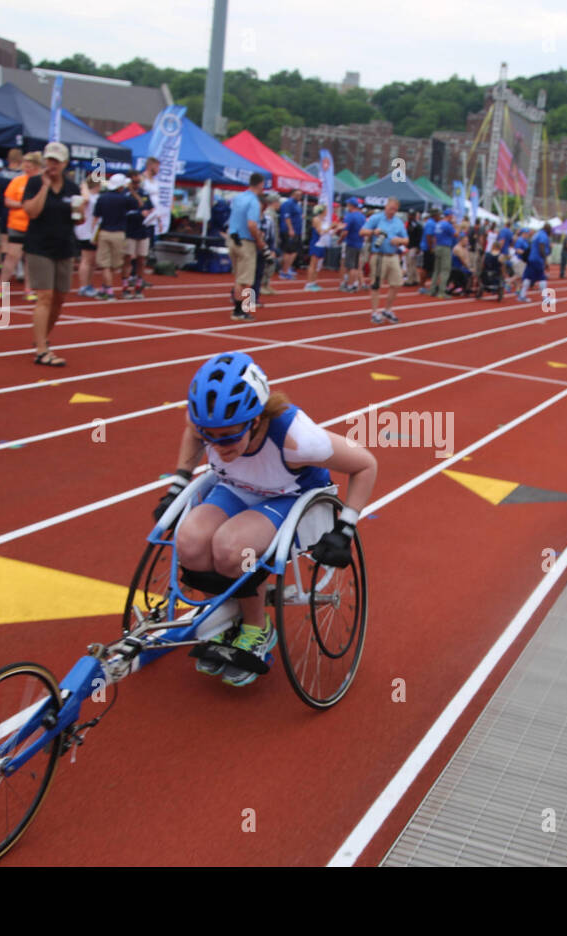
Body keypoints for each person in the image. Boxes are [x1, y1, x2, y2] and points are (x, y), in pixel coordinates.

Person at [152, 351, 378, 686]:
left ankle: (257, 629)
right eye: (210, 436)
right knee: (190, 541)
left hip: (288, 495)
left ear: (255, 419)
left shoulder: (297, 437)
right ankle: (224, 618)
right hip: (236, 487)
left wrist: (345, 527)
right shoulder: (208, 419)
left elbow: (366, 464)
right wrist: (179, 483)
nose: (218, 445)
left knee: (232, 548)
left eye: (229, 436)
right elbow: (192, 430)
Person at [21, 141, 84, 366]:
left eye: (57, 161)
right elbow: (31, 212)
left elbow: (78, 220)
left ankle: (42, 338)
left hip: (64, 246)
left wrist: (81, 211)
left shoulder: (72, 188)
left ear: (65, 163)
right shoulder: (35, 182)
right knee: (45, 296)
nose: (52, 164)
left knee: (59, 299)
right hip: (39, 246)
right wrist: (45, 187)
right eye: (49, 160)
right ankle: (41, 350)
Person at [0, 152, 40, 303]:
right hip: (17, 224)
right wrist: (23, 205)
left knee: (31, 259)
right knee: (12, 256)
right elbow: (8, 201)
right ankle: (1, 287)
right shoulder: (17, 181)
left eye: (29, 164)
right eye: (25, 164)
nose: (26, 167)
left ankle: (29, 289)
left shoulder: (41, 182)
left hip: (34, 226)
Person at [226, 172, 267, 321]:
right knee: (247, 279)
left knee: (239, 277)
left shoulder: (238, 198)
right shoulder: (254, 202)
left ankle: (240, 308)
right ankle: (241, 310)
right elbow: (251, 224)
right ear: (261, 184)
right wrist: (259, 240)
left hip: (233, 239)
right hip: (246, 241)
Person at [361, 197, 408, 324]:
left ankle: (387, 309)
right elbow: (362, 231)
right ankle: (375, 311)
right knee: (376, 284)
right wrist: (373, 232)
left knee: (397, 282)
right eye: (391, 208)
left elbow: (406, 240)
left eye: (395, 209)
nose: (392, 211)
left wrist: (399, 240)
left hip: (392, 255)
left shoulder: (398, 222)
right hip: (379, 255)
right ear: (386, 206)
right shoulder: (376, 218)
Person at [93, 173, 133, 300]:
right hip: (119, 234)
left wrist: (93, 234)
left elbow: (96, 217)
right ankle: (108, 289)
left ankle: (107, 289)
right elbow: (138, 205)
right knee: (114, 265)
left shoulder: (102, 198)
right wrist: (130, 190)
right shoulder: (125, 199)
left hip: (105, 232)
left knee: (105, 264)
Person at [123, 170, 154, 299]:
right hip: (129, 231)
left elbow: (150, 207)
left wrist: (150, 214)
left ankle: (138, 286)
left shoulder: (144, 193)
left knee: (142, 259)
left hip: (143, 230)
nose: (137, 182)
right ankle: (125, 287)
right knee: (128, 259)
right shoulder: (125, 194)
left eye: (138, 180)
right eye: (134, 180)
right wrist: (138, 214)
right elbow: (123, 212)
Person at [74, 174, 102, 297]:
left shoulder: (96, 197)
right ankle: (83, 286)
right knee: (86, 260)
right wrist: (84, 186)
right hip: (86, 231)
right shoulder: (88, 197)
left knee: (92, 261)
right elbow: (85, 201)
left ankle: (88, 284)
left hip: (93, 232)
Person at [518, 223, 551, 302]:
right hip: (538, 259)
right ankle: (545, 298)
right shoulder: (543, 236)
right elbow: (541, 247)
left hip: (531, 258)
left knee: (528, 277)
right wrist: (545, 260)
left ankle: (522, 295)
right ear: (548, 229)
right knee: (542, 277)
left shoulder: (537, 234)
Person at [339, 197, 366, 292]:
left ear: (350, 205)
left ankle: (350, 285)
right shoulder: (362, 216)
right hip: (359, 243)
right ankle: (353, 284)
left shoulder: (349, 216)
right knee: (355, 266)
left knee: (350, 266)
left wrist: (340, 239)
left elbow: (345, 231)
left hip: (351, 242)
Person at [430, 208, 456, 300]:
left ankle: (432, 289)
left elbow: (434, 237)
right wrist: (455, 225)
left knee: (436, 270)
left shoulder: (438, 224)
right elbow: (455, 234)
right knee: (445, 270)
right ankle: (441, 292)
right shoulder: (447, 225)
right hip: (445, 247)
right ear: (449, 215)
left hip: (437, 246)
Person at [278, 188, 304, 279]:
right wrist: (290, 229)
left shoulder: (297, 204)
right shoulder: (288, 203)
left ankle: (287, 268)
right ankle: (284, 271)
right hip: (289, 231)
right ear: (292, 194)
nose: (299, 196)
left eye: (300, 195)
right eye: (297, 194)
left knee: (294, 251)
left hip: (296, 230)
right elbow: (287, 217)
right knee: (289, 251)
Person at [304, 203, 328, 291]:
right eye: (326, 210)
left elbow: (327, 232)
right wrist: (331, 227)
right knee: (313, 264)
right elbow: (320, 232)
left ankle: (313, 282)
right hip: (316, 243)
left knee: (318, 265)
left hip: (322, 244)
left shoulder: (324, 220)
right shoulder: (316, 219)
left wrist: (336, 228)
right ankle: (309, 283)